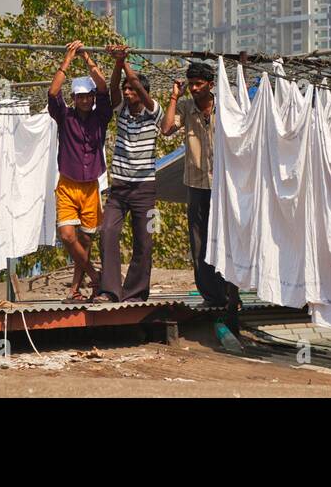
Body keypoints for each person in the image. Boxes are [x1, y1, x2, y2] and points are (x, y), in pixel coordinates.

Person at [161, 60, 240, 329]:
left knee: (227, 239)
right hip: (196, 185)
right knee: (199, 242)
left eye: (198, 84)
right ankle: (212, 294)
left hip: (223, 185)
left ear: (210, 84)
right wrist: (174, 96)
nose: (194, 88)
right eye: (191, 84)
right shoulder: (186, 107)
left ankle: (231, 294)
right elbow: (167, 128)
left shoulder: (227, 107)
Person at [94, 44, 163, 303]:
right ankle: (110, 290)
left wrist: (124, 61)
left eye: (131, 89)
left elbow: (136, 82)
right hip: (120, 188)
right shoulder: (121, 109)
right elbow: (113, 89)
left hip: (145, 190)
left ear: (142, 93)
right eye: (126, 88)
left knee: (145, 242)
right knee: (108, 232)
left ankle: (135, 293)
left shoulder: (152, 111)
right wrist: (117, 65)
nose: (126, 91)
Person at [47, 40, 113, 301]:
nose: (85, 100)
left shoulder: (101, 116)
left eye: (89, 95)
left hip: (91, 186)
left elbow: (105, 87)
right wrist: (68, 60)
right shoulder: (65, 116)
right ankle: (96, 278)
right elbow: (53, 93)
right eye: (81, 96)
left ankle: (76, 290)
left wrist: (87, 58)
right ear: (74, 98)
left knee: (84, 243)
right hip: (68, 184)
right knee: (67, 235)